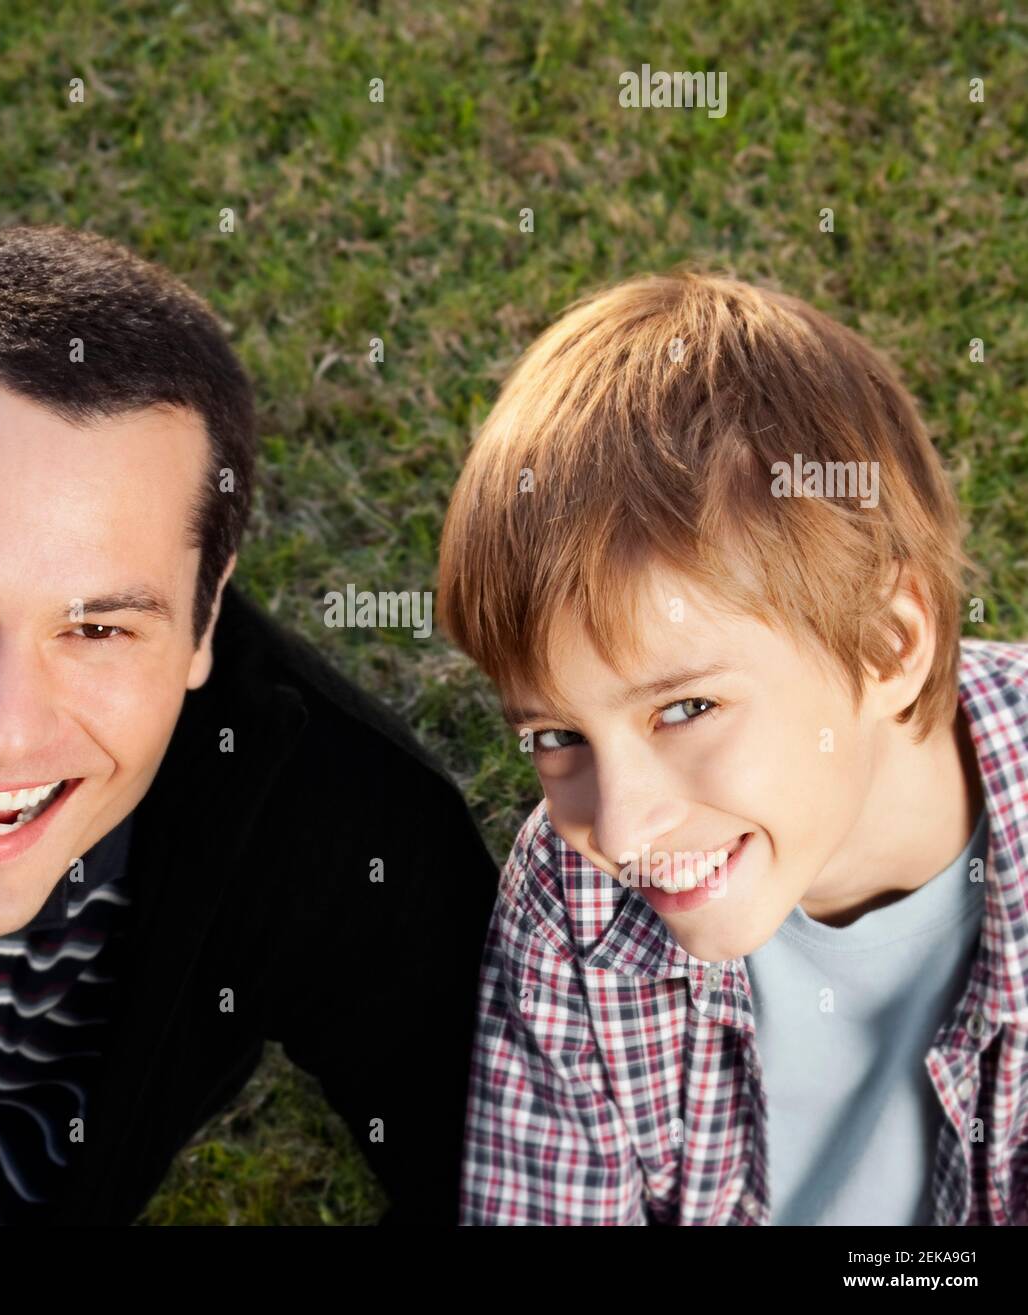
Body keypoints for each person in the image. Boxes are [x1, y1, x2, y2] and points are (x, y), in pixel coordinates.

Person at [0, 224, 497, 1227]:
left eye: (94, 627)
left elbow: (505, 1169)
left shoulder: (338, 827)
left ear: (205, 615)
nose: (1, 729)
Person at [438, 271, 1028, 1225]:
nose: (622, 827)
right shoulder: (571, 897)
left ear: (888, 644)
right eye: (556, 737)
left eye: (685, 709)